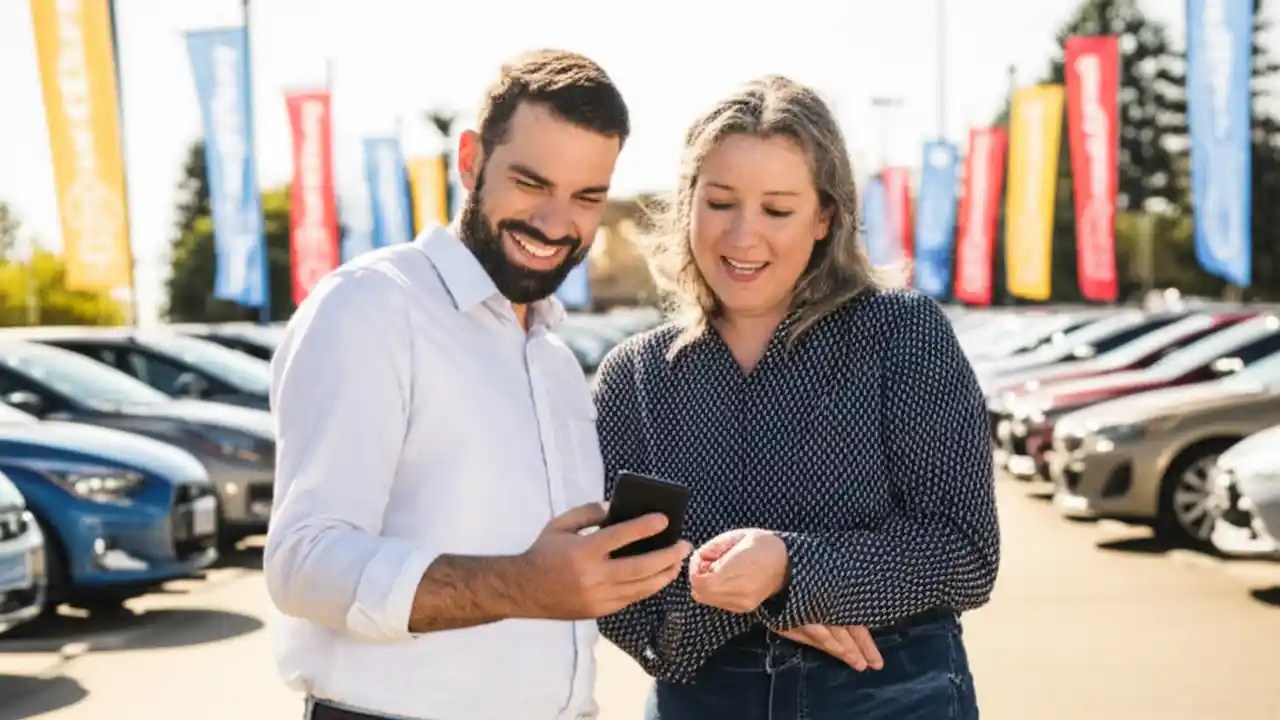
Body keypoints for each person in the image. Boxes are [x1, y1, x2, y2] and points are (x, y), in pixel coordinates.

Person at [265, 49, 691, 720]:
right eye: (531, 183)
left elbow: (565, 589)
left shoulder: (553, 361)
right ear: (470, 161)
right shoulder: (372, 307)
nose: (556, 223)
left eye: (586, 196)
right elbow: (303, 564)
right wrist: (522, 586)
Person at [592, 76, 1001, 719]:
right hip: (705, 699)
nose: (743, 236)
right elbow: (623, 595)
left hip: (887, 692)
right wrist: (745, 599)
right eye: (720, 202)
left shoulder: (902, 335)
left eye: (778, 210)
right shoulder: (634, 376)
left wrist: (792, 572)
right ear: (687, 203)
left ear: (824, 218)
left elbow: (965, 551)